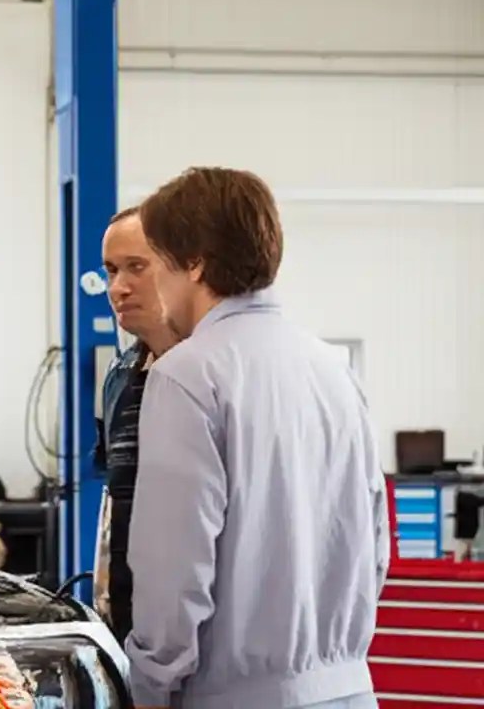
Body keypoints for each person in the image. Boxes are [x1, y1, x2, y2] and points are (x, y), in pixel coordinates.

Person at [124, 167, 390, 709]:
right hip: (350, 689)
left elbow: (174, 572)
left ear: (193, 263)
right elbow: (375, 544)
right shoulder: (334, 370)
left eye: (158, 263)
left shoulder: (187, 374)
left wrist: (148, 685)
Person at [90, 206, 178, 646]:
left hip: (190, 627)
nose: (117, 288)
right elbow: (113, 498)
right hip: (124, 620)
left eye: (136, 268)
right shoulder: (119, 373)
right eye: (111, 270)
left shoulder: (208, 375)